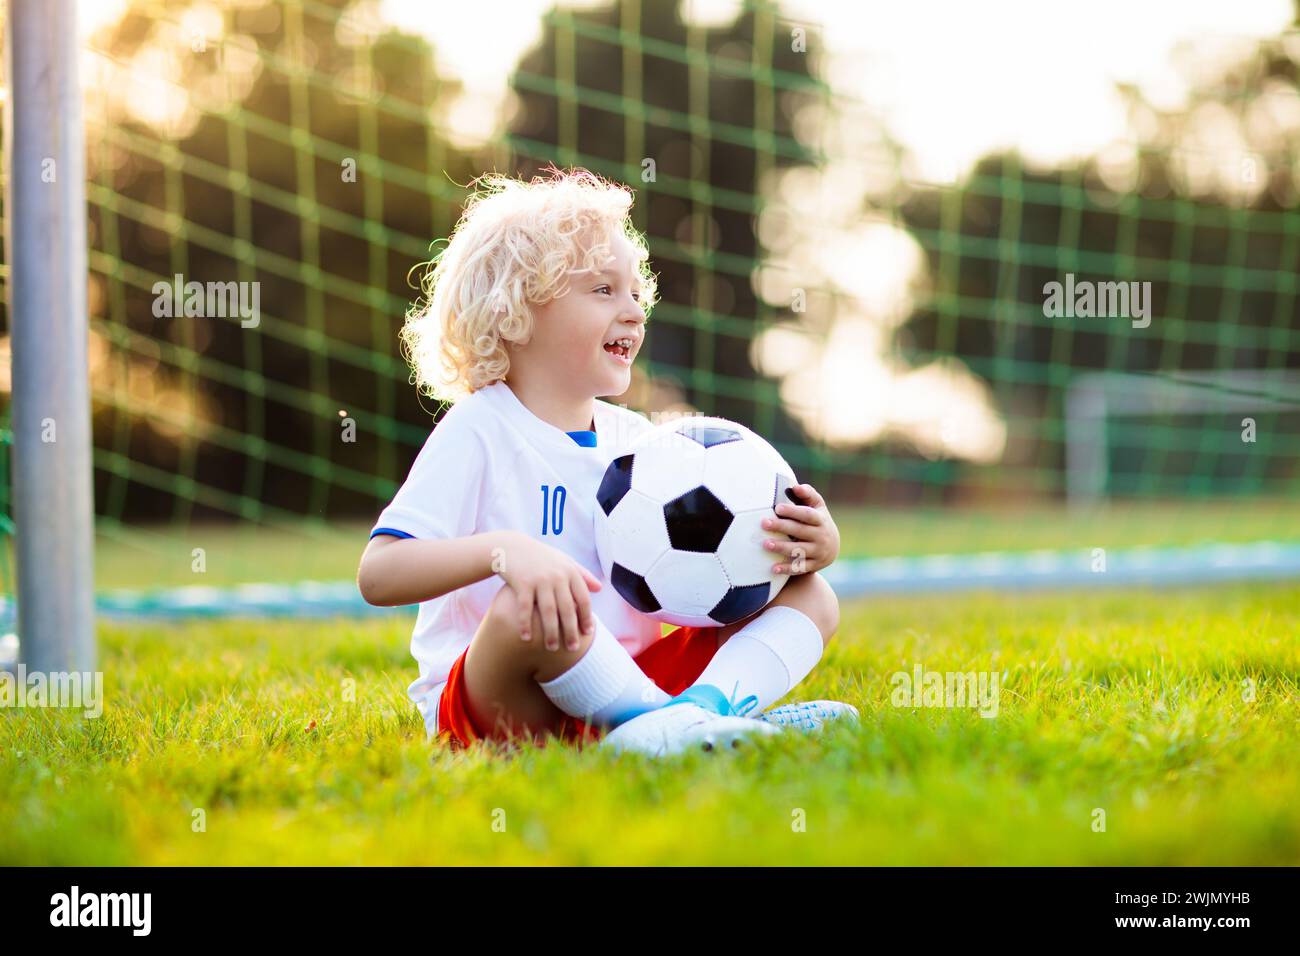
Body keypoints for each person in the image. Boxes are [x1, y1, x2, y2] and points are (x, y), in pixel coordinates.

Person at [357, 166, 856, 756]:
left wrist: (799, 549)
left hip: (630, 676)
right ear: (514, 309)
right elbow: (379, 573)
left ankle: (697, 715)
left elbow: (717, 565)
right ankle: (670, 728)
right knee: (530, 608)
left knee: (813, 595)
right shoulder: (480, 429)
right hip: (505, 700)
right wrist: (506, 552)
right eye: (603, 290)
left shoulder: (645, 444)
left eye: (636, 294)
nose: (634, 312)